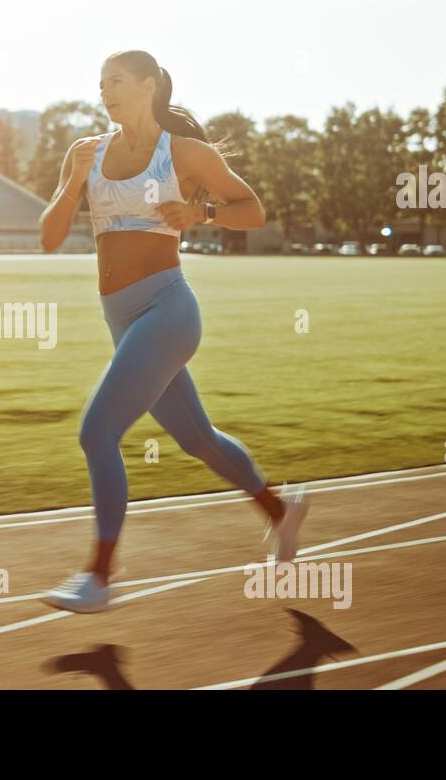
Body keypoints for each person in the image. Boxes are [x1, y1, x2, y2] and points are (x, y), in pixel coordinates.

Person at [37, 50, 309, 613]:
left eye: (116, 81)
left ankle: (100, 576)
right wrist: (73, 184)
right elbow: (49, 237)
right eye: (100, 82)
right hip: (122, 319)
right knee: (197, 439)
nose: (104, 91)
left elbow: (252, 210)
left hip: (168, 310)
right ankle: (281, 512)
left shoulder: (183, 153)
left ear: (148, 85)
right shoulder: (86, 152)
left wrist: (202, 216)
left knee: (97, 433)